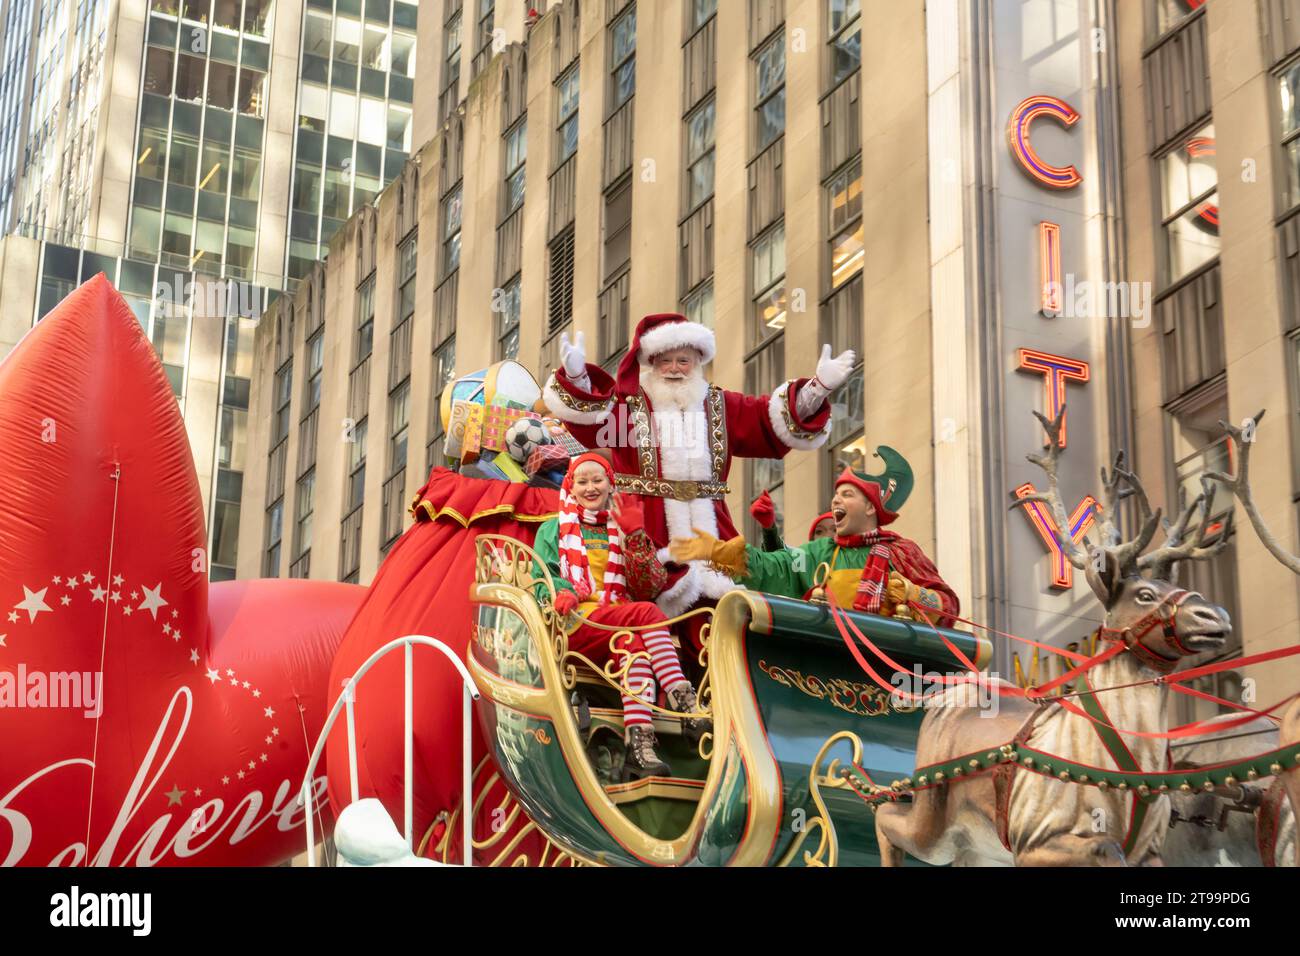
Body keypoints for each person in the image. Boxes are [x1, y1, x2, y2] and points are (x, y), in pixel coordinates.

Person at [542, 313, 856, 617]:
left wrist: (817, 389)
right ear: (652, 362)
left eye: (684, 360)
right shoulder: (630, 406)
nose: (675, 369)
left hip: (712, 533)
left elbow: (768, 422)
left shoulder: (720, 404)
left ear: (697, 361)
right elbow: (591, 419)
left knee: (723, 619)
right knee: (650, 619)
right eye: (666, 360)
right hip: (648, 529)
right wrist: (577, 377)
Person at [532, 453, 710, 780]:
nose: (590, 487)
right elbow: (541, 574)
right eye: (582, 481)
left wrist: (637, 537)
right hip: (575, 624)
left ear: (609, 484)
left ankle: (638, 747)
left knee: (634, 649)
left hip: (616, 622)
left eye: (597, 480)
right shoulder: (553, 528)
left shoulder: (620, 527)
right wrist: (561, 591)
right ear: (570, 486)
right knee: (646, 614)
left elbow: (647, 586)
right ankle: (685, 703)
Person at [670, 447, 960, 627]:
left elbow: (949, 608)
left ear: (871, 507)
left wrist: (914, 595)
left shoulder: (902, 552)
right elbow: (777, 566)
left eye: (847, 494)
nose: (836, 501)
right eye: (835, 494)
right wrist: (724, 553)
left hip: (888, 667)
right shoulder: (816, 553)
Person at [749, 490, 835, 551]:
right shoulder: (804, 565)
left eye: (835, 530)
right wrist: (769, 528)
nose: (827, 537)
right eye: (819, 532)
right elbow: (780, 562)